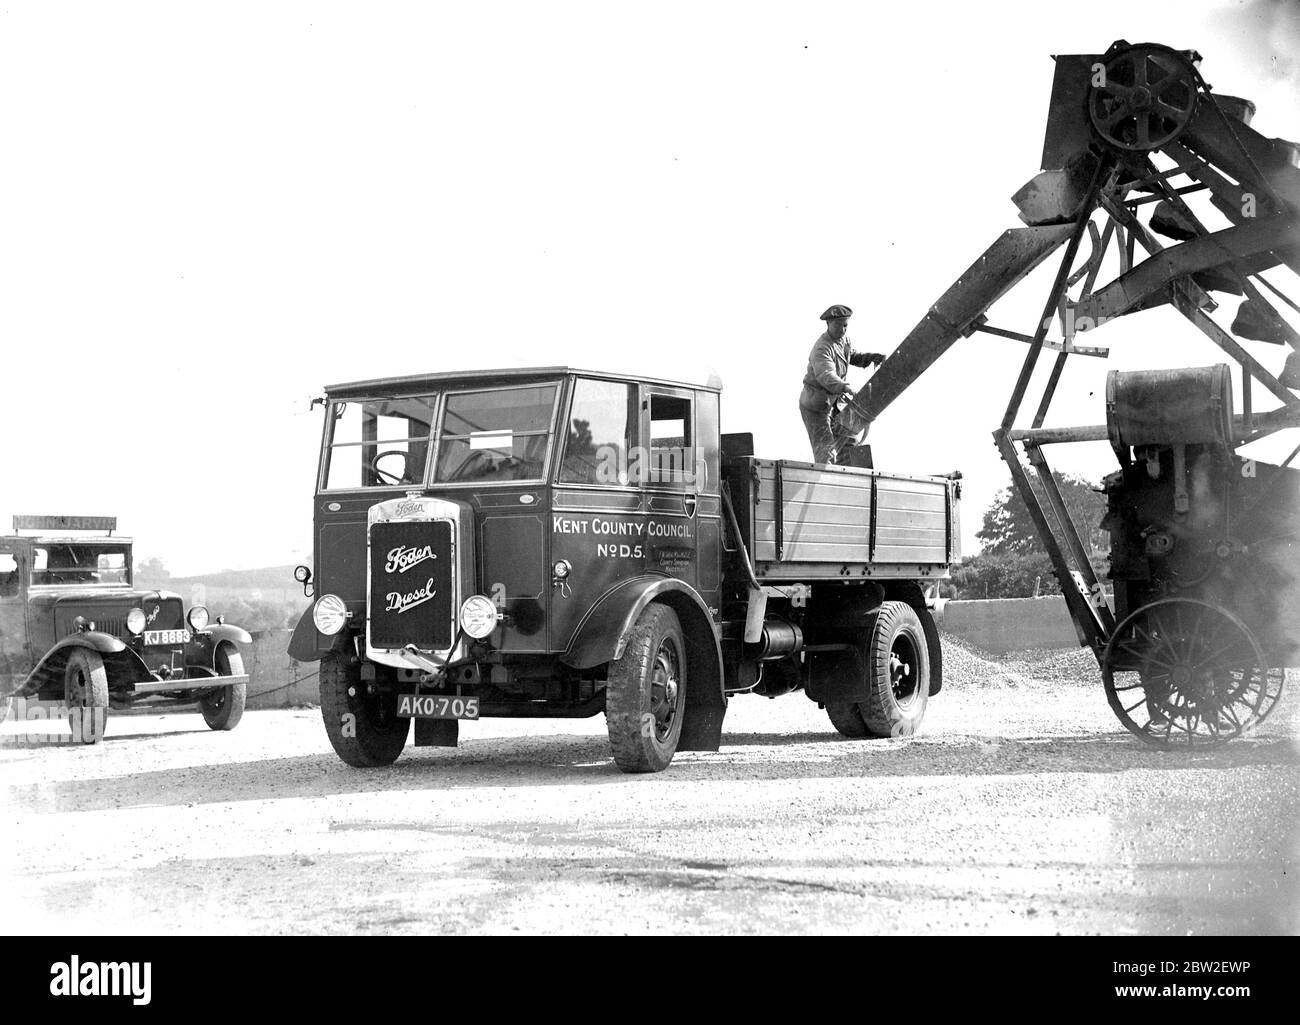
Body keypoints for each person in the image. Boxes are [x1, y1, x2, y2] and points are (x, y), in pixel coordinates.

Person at [798, 304, 885, 463]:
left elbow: (851, 356)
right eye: (839, 325)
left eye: (845, 325)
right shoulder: (822, 349)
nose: (843, 330)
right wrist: (846, 387)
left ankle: (852, 482)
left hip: (834, 403)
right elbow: (826, 375)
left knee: (849, 439)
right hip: (816, 407)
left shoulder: (843, 341)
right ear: (828, 324)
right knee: (826, 453)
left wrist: (871, 357)